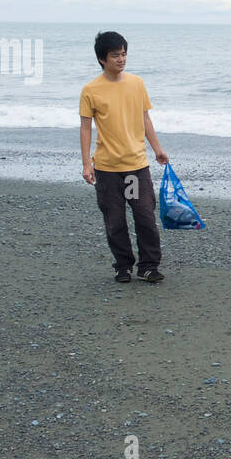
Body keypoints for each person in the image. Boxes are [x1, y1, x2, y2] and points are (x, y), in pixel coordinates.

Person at [78, 31, 169, 284]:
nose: (121, 59)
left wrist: (157, 148)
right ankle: (123, 265)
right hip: (107, 168)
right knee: (115, 221)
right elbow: (86, 127)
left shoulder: (136, 83)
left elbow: (145, 118)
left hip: (136, 165)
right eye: (115, 55)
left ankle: (149, 266)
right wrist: (87, 163)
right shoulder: (90, 90)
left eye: (124, 54)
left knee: (145, 217)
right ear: (102, 59)